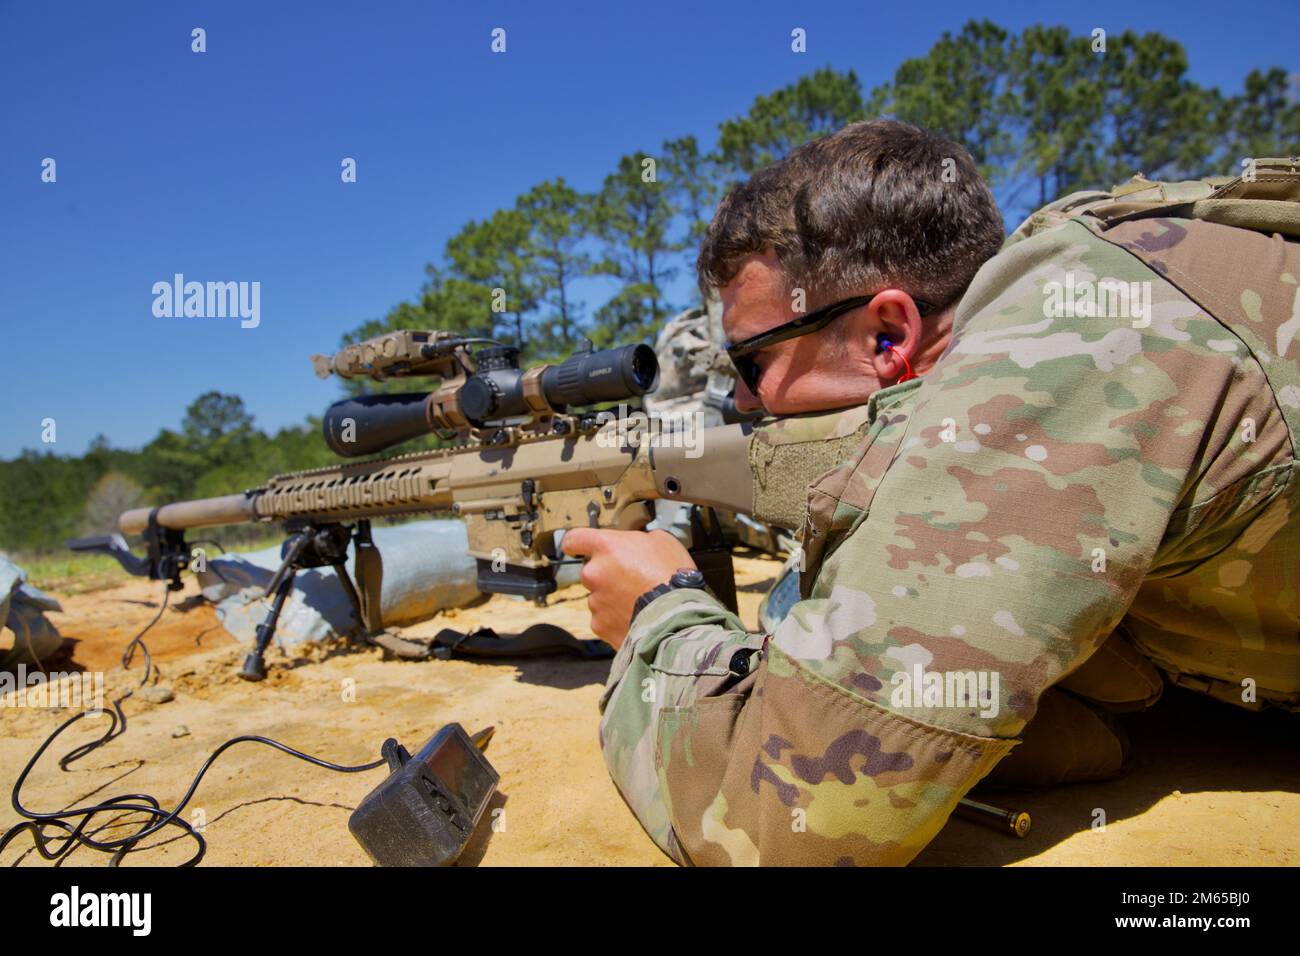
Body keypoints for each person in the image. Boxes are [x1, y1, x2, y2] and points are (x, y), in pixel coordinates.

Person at [562, 119, 1300, 865]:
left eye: (752, 365)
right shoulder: (1093, 288)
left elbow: (788, 829)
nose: (743, 404)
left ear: (889, 335)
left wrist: (660, 614)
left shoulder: (1068, 332)